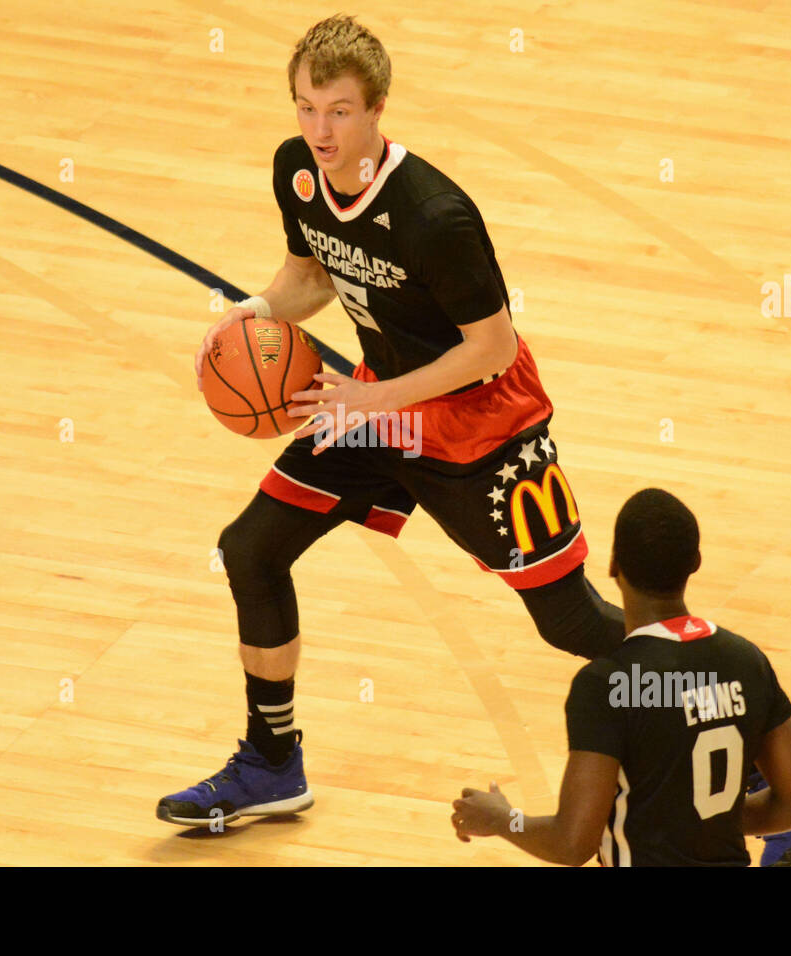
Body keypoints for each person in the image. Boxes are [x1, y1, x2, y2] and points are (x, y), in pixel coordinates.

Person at [157, 14, 628, 827]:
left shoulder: (434, 217)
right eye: (305, 107)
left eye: (338, 110)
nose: (319, 128)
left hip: (485, 428)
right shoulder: (298, 172)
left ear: (377, 109)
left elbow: (491, 346)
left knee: (572, 620)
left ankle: (763, 720)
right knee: (251, 549)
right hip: (380, 408)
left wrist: (369, 399)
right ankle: (272, 763)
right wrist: (256, 310)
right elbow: (313, 275)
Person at [451, 488, 791, 866]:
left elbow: (572, 844)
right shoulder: (747, 661)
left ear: (614, 564)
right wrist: (710, 817)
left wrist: (503, 820)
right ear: (695, 562)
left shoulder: (606, 684)